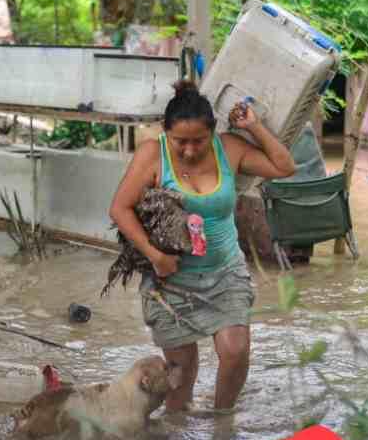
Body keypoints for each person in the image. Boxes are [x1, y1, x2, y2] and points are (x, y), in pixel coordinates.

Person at [108, 81, 296, 411]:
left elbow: (284, 166)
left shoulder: (230, 148)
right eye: (181, 141)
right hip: (171, 284)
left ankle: (223, 425)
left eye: (199, 140)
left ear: (213, 132)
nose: (191, 150)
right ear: (166, 133)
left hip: (225, 273)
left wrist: (253, 125)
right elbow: (120, 209)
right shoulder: (153, 155)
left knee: (236, 353)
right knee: (182, 379)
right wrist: (155, 257)